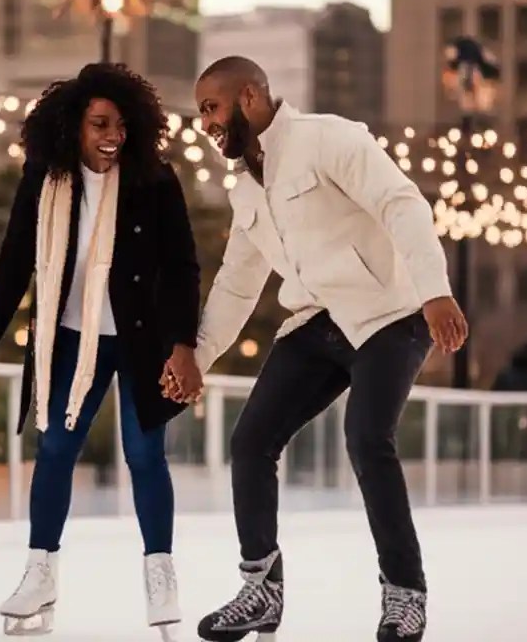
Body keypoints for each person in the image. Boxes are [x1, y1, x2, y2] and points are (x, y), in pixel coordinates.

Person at [174, 56, 468, 642]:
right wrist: (197, 359)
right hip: (319, 319)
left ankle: (404, 594)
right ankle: (261, 590)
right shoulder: (248, 191)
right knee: (252, 439)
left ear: (251, 97)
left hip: (392, 311)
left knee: (365, 436)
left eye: (211, 107)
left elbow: (400, 203)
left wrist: (435, 291)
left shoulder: (327, 137)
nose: (204, 122)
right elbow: (237, 282)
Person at [0, 62, 203, 639]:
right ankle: (40, 572)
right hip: (67, 338)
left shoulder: (155, 180)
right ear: (74, 126)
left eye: (119, 124)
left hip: (142, 342)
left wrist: (183, 344)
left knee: (145, 457)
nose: (111, 135)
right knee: (57, 448)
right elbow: (14, 261)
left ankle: (160, 575)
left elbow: (184, 268)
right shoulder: (44, 178)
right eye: (99, 124)